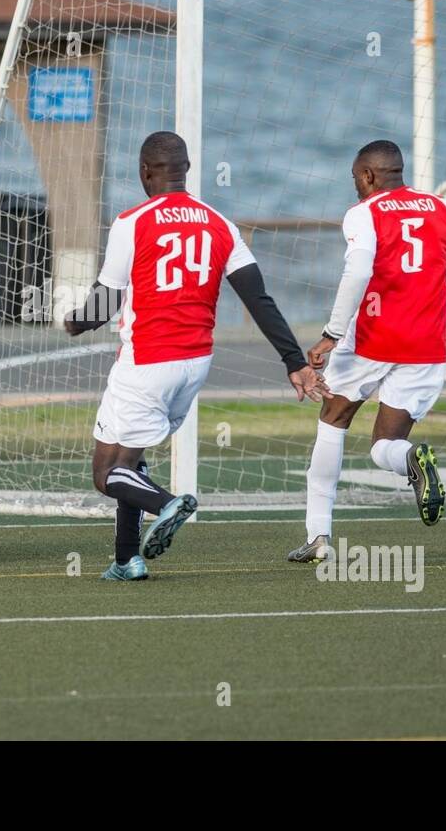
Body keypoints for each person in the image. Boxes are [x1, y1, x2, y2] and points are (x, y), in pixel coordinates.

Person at [66, 131, 327, 581]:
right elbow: (258, 300)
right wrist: (294, 362)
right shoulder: (219, 224)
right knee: (132, 457)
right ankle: (127, 558)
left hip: (147, 362)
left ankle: (165, 504)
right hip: (195, 366)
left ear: (145, 172)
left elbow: (104, 305)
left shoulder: (132, 222)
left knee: (106, 472)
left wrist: (72, 322)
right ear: (186, 171)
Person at [287, 140, 446, 563]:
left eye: (355, 180)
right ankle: (411, 460)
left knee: (333, 421)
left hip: (371, 337)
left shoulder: (364, 212)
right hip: (425, 346)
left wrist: (331, 334)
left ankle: (319, 537)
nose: (355, 188)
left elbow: (359, 269)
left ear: (368, 176)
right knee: (386, 443)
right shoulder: (442, 209)